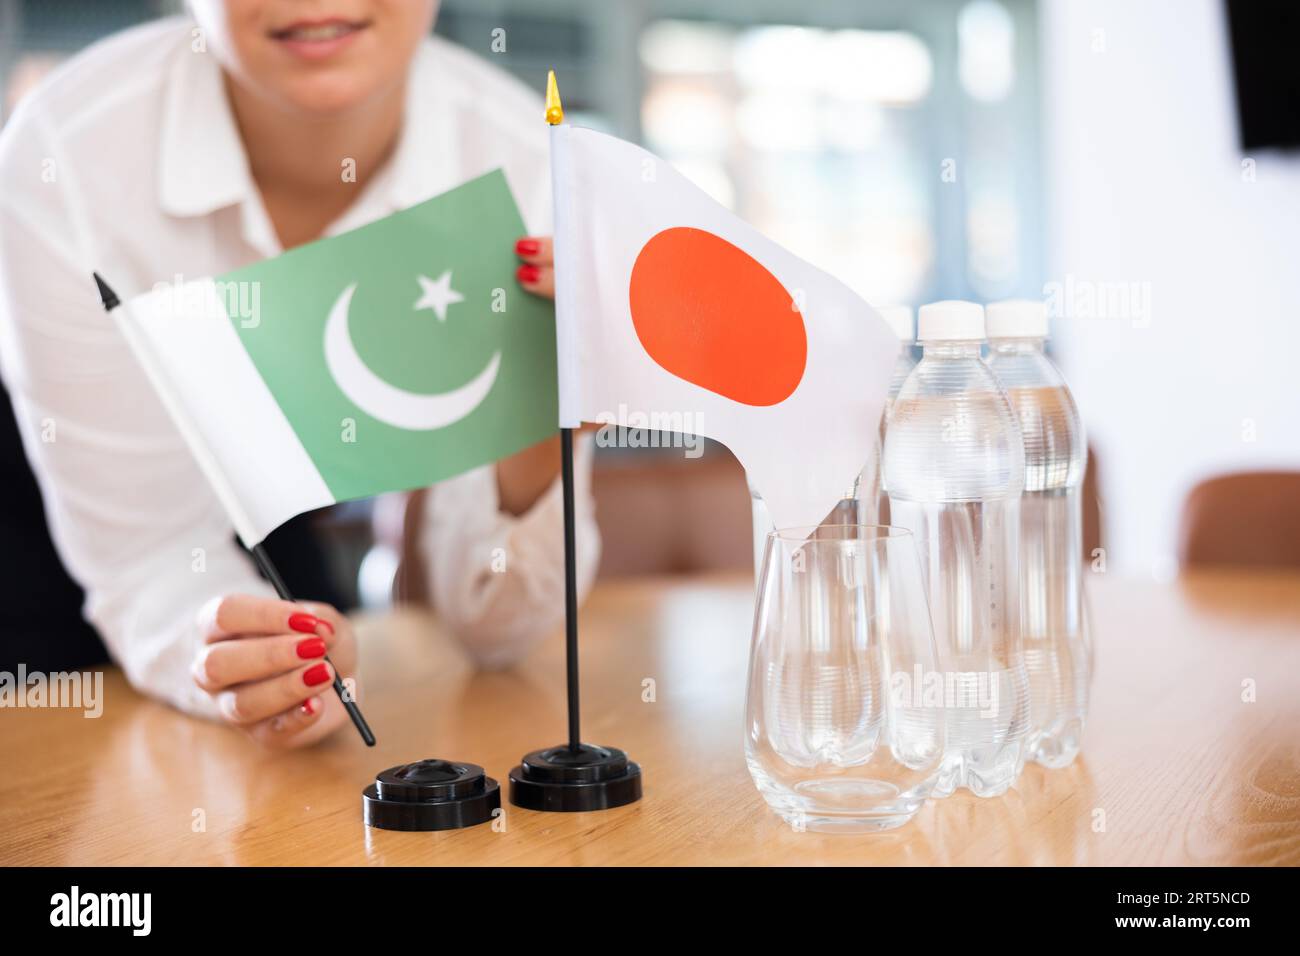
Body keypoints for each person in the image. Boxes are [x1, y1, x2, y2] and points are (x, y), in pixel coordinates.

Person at [0, 1, 599, 747]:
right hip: (49, 542)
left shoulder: (527, 163)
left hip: (278, 543)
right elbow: (145, 559)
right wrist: (241, 668)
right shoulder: (69, 150)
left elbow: (496, 634)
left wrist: (543, 424)